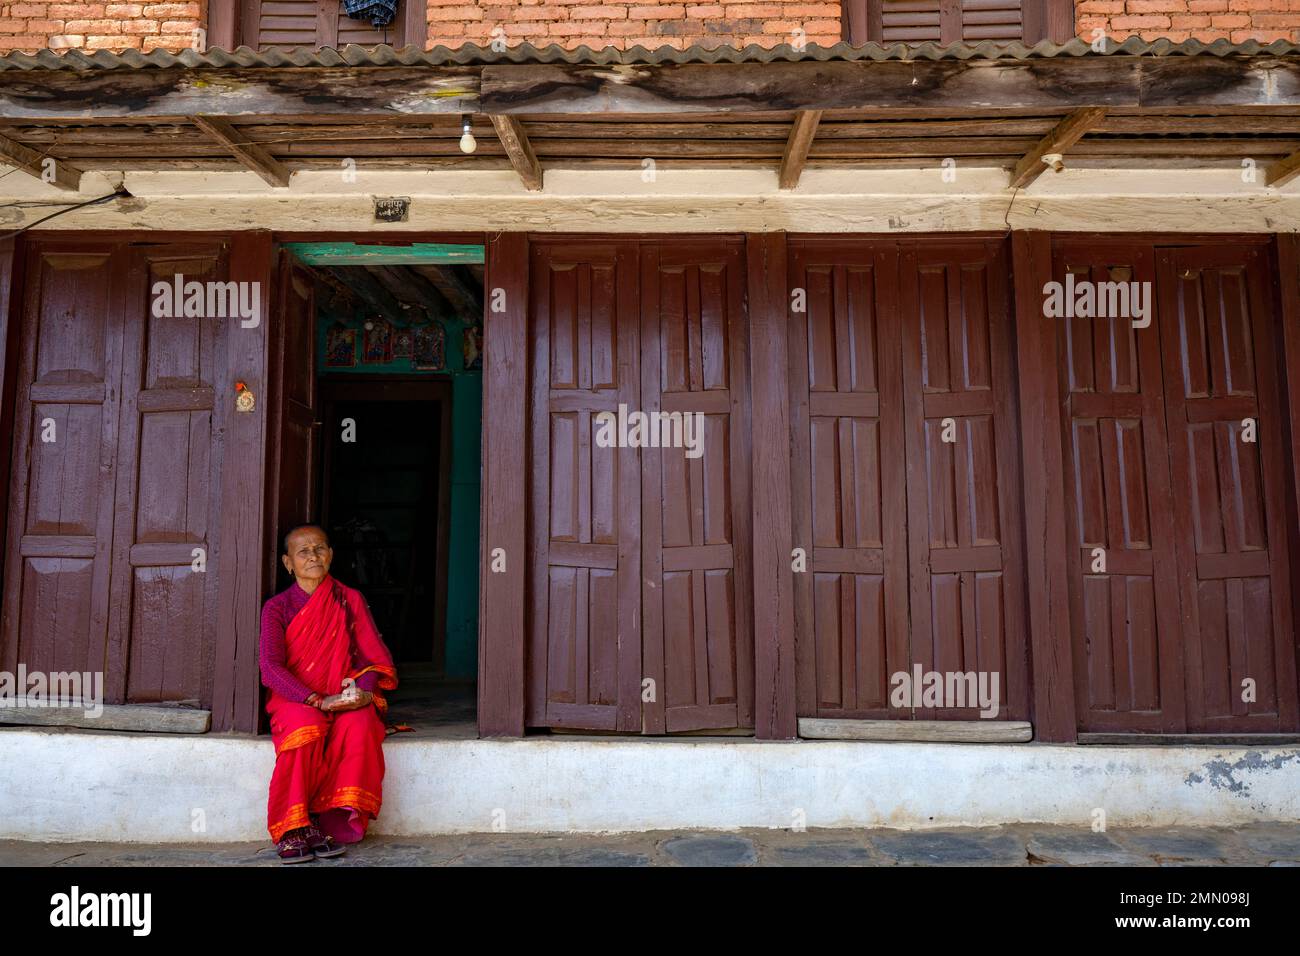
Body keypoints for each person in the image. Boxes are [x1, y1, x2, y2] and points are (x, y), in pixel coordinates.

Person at [259, 524, 398, 863]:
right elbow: (271, 667)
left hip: (344, 692)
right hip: (296, 698)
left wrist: (363, 694)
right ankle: (293, 826)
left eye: (320, 548)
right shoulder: (277, 608)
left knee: (361, 724)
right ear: (287, 562)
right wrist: (317, 700)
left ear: (331, 555)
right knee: (306, 729)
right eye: (303, 551)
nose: (313, 556)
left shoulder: (348, 599)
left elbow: (372, 658)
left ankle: (330, 819)